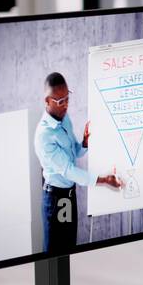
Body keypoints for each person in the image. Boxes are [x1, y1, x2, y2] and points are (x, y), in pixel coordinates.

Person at [33, 72, 122, 253]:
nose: (65, 105)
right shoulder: (44, 136)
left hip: (68, 194)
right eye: (60, 101)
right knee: (55, 252)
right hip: (56, 198)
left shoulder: (64, 118)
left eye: (67, 98)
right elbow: (69, 170)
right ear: (47, 101)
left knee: (69, 246)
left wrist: (85, 142)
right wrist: (104, 180)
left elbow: (74, 151)